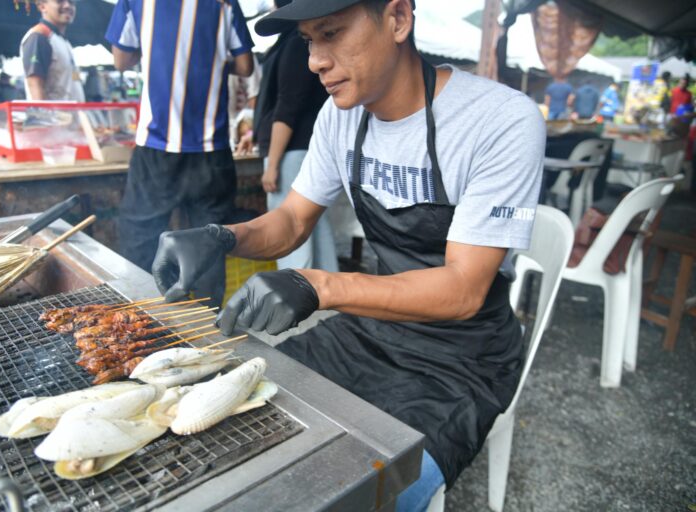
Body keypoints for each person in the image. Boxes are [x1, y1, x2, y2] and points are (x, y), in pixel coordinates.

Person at [151, 0, 544, 508]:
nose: (315, 60)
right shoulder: (341, 118)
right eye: (309, 40)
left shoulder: (498, 120)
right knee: (225, 421)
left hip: (458, 361)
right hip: (367, 329)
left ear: (398, 19)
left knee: (356, 495)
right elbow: (291, 220)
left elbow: (464, 289)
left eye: (332, 33)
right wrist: (223, 237)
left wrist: (322, 286)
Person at [106, 0, 254, 309]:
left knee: (141, 239)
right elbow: (245, 66)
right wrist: (212, 59)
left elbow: (121, 59)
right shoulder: (225, 2)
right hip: (211, 148)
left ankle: (144, 324)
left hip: (158, 145)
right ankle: (205, 332)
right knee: (208, 244)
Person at [247, 0, 338, 272]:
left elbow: (287, 107)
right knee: (313, 227)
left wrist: (272, 164)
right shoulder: (291, 42)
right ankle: (326, 300)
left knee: (289, 228)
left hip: (291, 152)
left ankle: (296, 294)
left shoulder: (295, 44)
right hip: (299, 149)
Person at [20, 0, 85, 101]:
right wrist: (43, 115)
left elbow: (72, 81)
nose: (67, 5)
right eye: (60, 1)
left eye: (71, 2)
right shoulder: (39, 36)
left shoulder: (63, 42)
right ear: (42, 6)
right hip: (55, 116)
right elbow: (35, 85)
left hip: (71, 115)